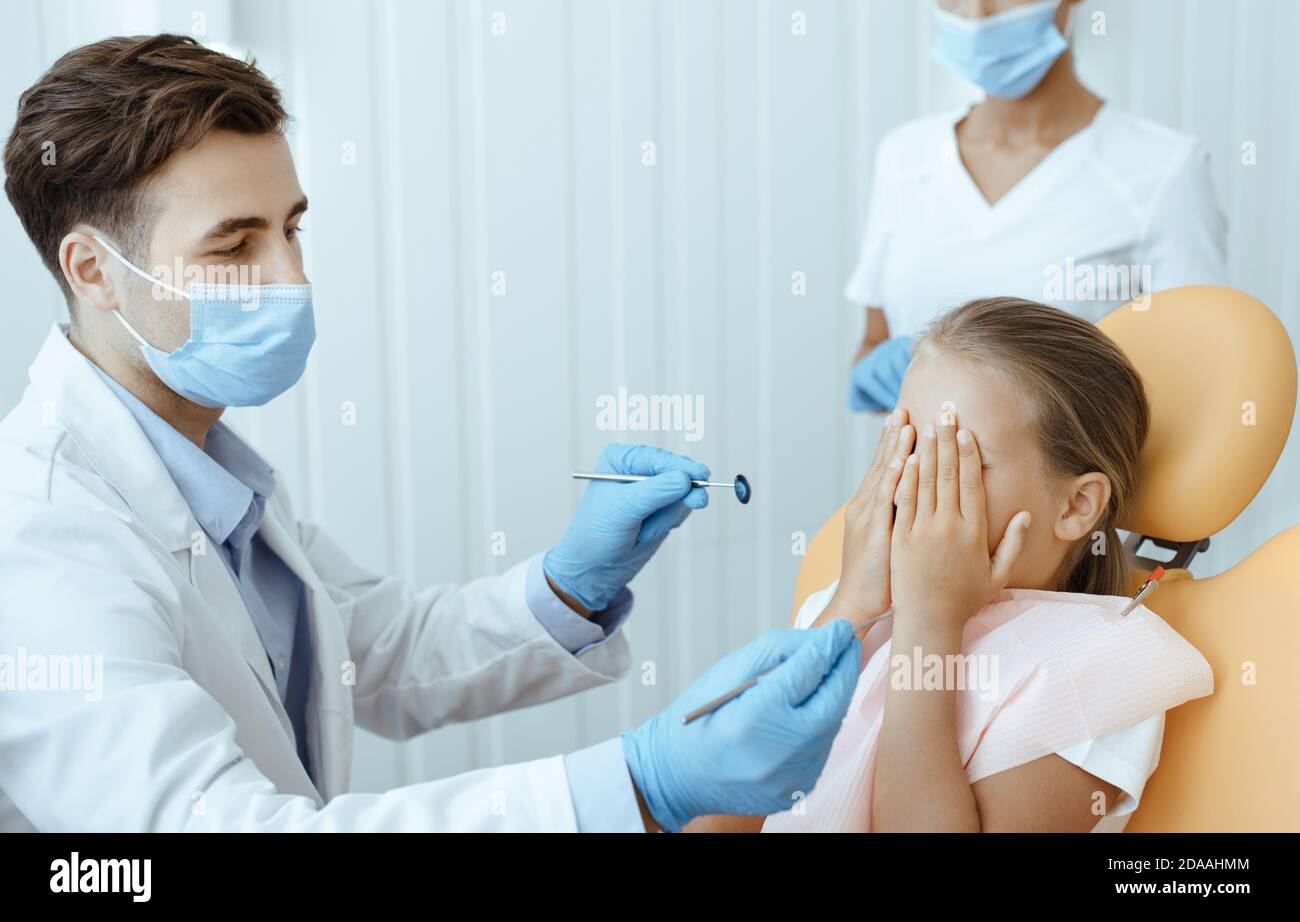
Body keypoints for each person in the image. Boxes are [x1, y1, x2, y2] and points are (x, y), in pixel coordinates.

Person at [0, 34, 860, 833]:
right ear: (94, 271)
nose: (292, 279)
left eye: (292, 229)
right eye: (234, 247)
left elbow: (371, 651)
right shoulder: (42, 540)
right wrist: (637, 784)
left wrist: (569, 585)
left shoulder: (202, 469)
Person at [694, 298, 1212, 833]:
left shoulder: (1098, 667)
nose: (913, 485)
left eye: (960, 462)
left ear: (1076, 506)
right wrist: (849, 608)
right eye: (908, 448)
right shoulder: (846, 613)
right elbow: (707, 822)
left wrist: (930, 624)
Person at [847, 0, 1227, 412]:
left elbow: (1197, 387)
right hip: (912, 476)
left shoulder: (1163, 170)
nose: (977, 17)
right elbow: (872, 345)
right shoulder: (905, 156)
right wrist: (879, 372)